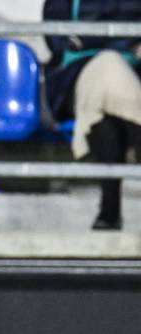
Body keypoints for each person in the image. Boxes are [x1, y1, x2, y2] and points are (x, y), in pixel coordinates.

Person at [43, 0, 141, 231]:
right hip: (79, 74)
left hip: (131, 73)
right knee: (107, 64)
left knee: (105, 121)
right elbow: (56, 36)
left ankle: (109, 214)